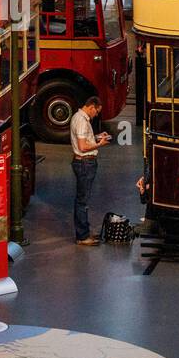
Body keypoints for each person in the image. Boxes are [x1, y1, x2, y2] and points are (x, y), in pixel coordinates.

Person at [70, 96, 111, 246]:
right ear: (92, 106)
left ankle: (84, 232)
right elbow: (82, 147)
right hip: (85, 163)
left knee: (83, 199)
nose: (97, 115)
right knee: (82, 200)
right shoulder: (82, 121)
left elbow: (84, 140)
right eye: (97, 111)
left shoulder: (78, 117)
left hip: (83, 163)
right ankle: (82, 236)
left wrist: (96, 137)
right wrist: (100, 144)